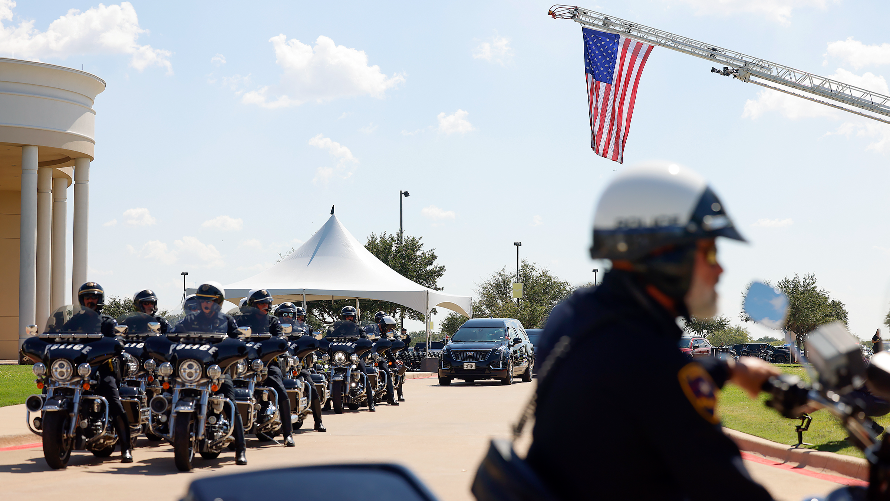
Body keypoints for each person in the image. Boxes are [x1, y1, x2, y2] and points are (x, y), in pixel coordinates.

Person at [525, 162, 778, 500]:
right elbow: (732, 490)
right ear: (664, 252)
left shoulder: (574, 315)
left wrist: (731, 369)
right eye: (709, 251)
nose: (720, 269)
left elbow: (637, 374)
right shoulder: (649, 364)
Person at [174, 282, 247, 465]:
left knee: (230, 403)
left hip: (218, 371)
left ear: (218, 302)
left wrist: (235, 342)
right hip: (193, 370)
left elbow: (237, 339)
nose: (205, 303)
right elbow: (173, 334)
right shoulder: (190, 320)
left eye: (210, 300)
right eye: (202, 300)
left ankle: (240, 449)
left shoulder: (226, 321)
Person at [65, 282, 133, 463]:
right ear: (82, 300)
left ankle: (126, 447)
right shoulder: (73, 321)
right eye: (87, 297)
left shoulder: (107, 322)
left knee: (113, 400)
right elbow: (61, 336)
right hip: (78, 369)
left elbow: (116, 340)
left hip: (102, 368)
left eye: (94, 297)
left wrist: (118, 340)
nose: (91, 300)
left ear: (100, 299)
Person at [239, 289, 294, 447]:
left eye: (267, 302)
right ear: (252, 305)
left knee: (281, 391)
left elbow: (280, 337)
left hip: (268, 364)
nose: (265, 305)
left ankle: (287, 433)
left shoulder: (272, 321)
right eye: (261, 303)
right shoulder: (240, 320)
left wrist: (280, 340)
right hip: (243, 365)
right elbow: (231, 335)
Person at [273, 302, 326, 432]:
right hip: (279, 367)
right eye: (284, 314)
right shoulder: (275, 330)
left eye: (290, 314)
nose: (287, 317)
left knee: (312, 386)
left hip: (297, 367)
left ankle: (318, 421)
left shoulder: (300, 331)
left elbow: (309, 341)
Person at [329, 305, 376, 411]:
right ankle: (328, 402)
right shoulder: (338, 328)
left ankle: (371, 402)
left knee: (364, 376)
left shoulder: (358, 328)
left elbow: (365, 339)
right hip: (341, 357)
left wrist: (365, 342)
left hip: (355, 357)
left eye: (350, 317)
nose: (348, 319)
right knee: (328, 375)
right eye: (346, 317)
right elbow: (330, 337)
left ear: (354, 317)